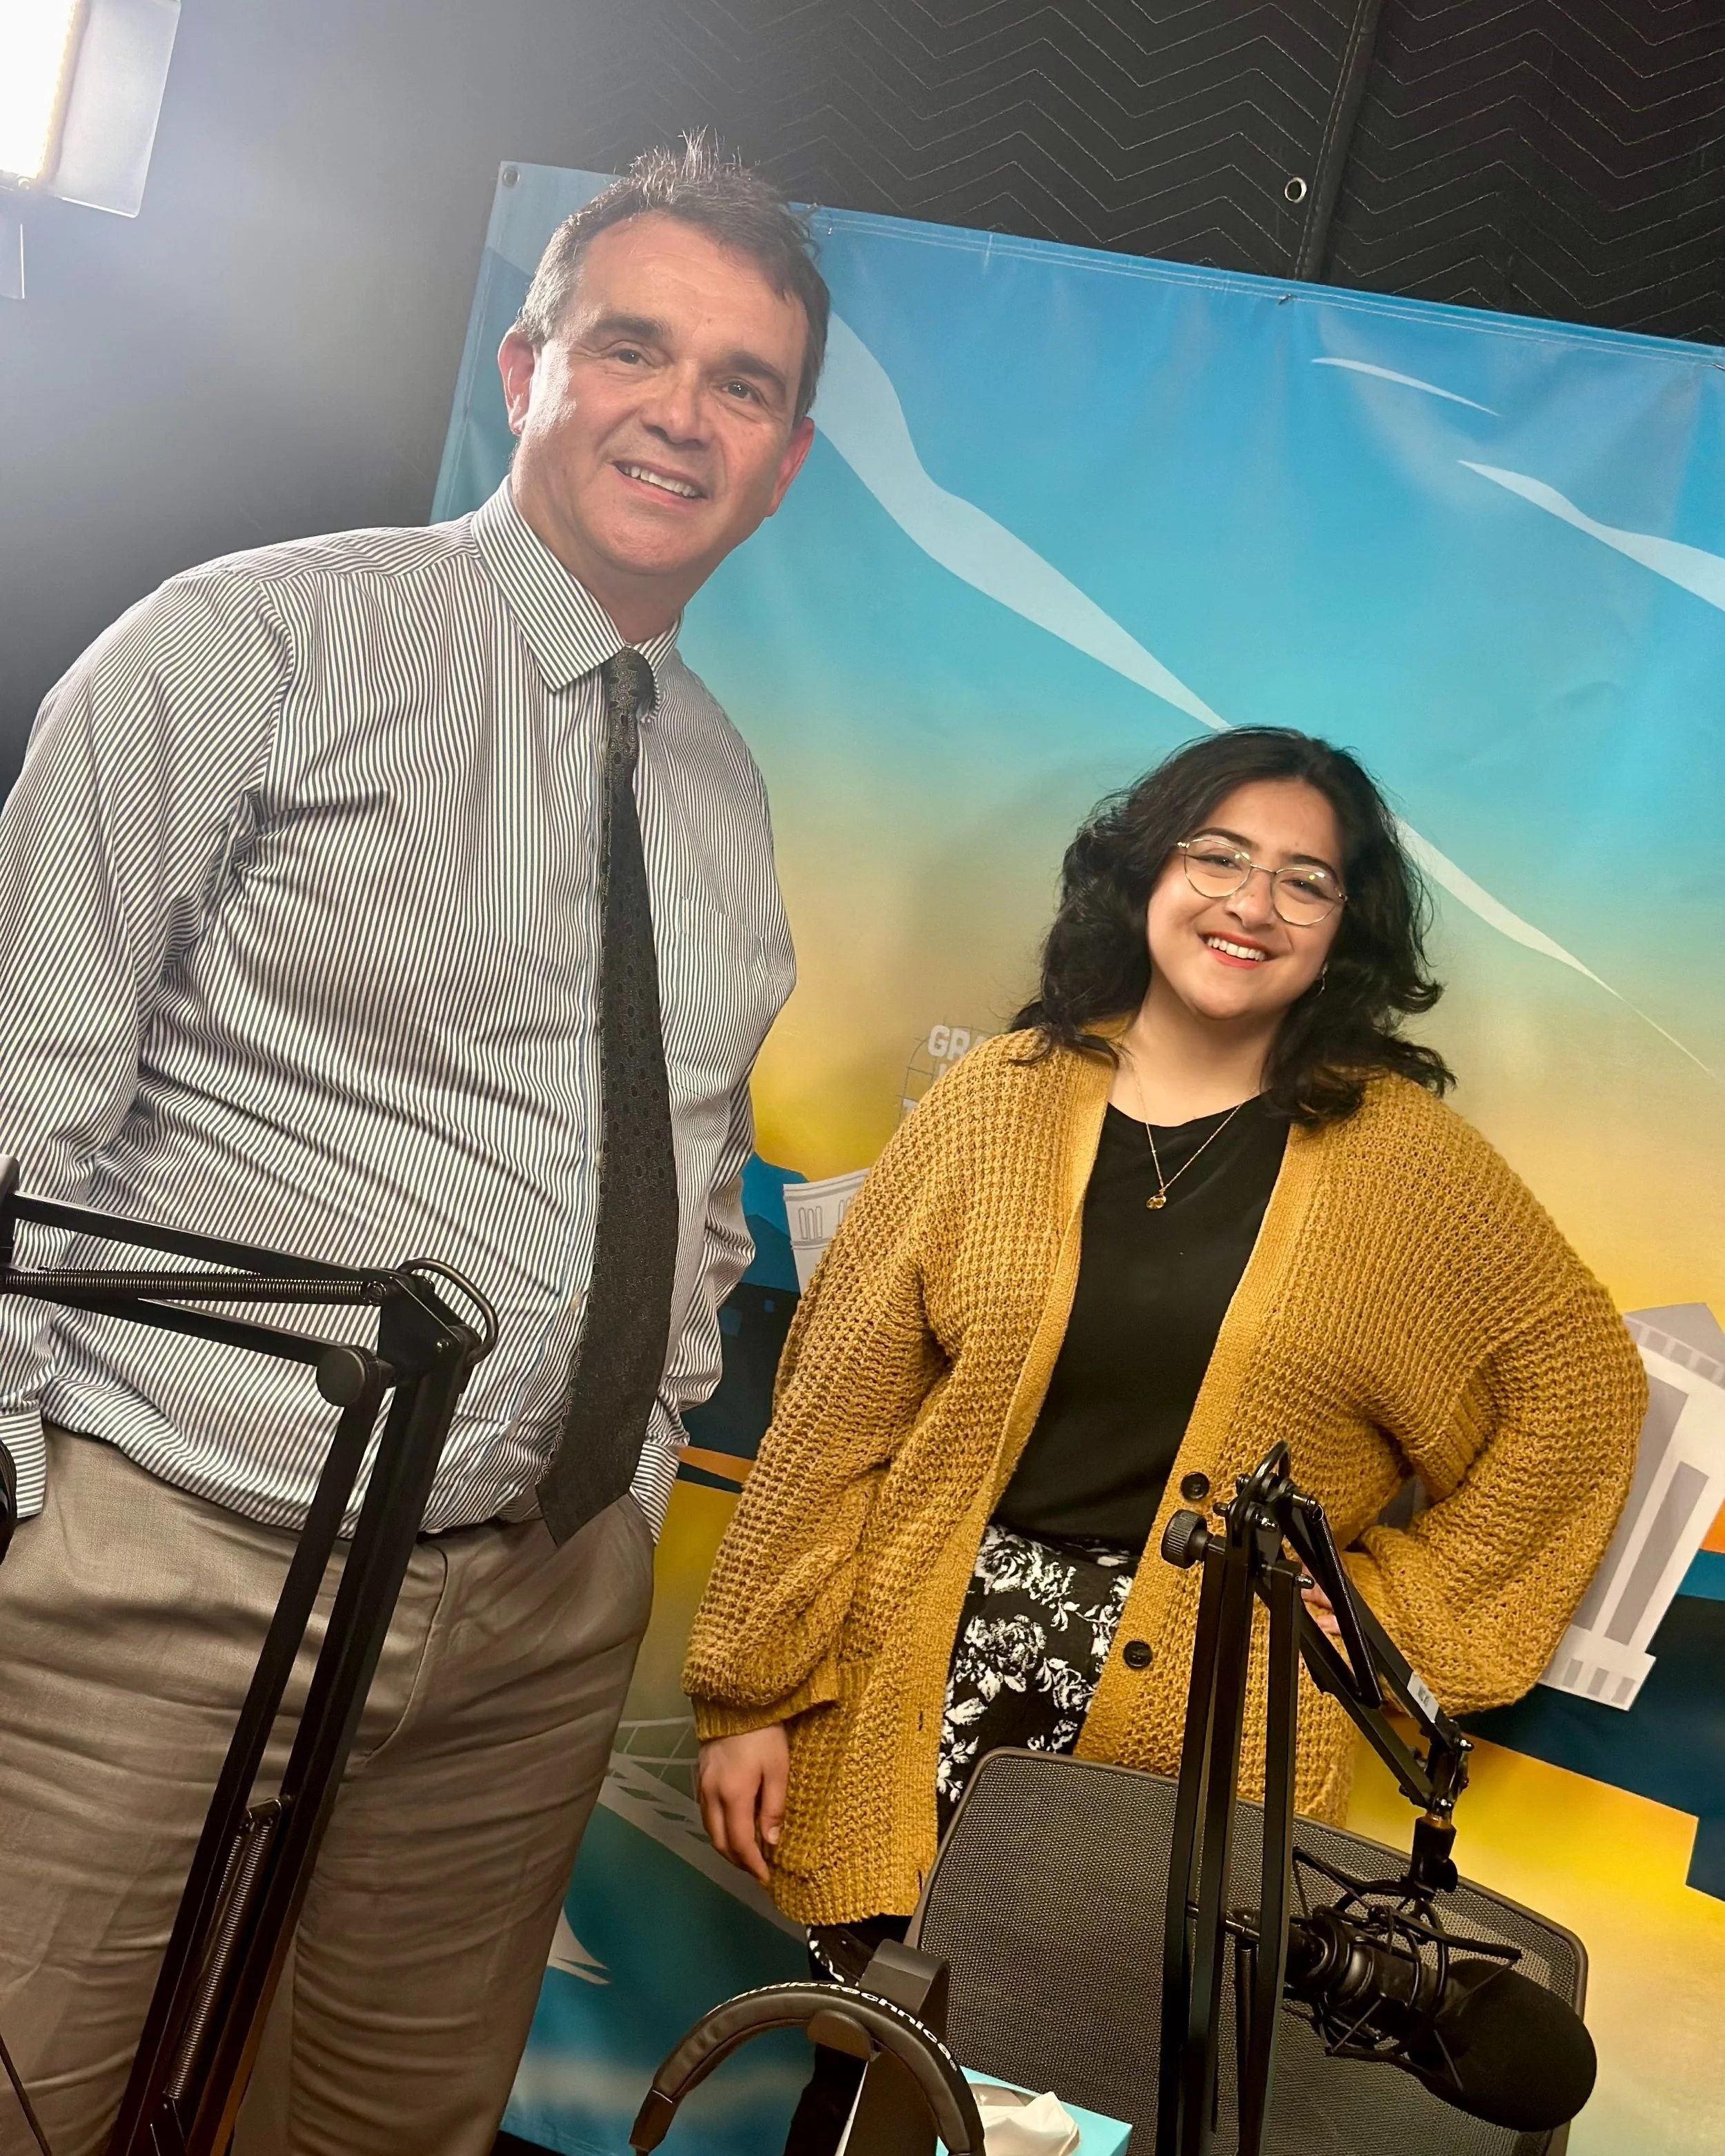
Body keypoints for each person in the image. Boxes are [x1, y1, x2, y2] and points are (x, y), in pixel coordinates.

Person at [0, 139, 825, 2156]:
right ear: (529, 364)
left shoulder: (721, 794)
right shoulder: (252, 645)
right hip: (173, 1540)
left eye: (742, 385)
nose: (680, 412)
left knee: (384, 2135)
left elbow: (694, 1191)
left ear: (787, 459)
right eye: (635, 349)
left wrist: (622, 1484)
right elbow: (25, 1080)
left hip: (525, 1620)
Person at [684, 726, 1646, 2155]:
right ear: (1145, 873)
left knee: (1095, 2110)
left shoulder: (1398, 1163)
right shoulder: (995, 1101)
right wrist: (746, 1688)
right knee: (875, 2098)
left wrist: (1382, 1620)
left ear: (1342, 932)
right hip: (923, 1692)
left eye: (1302, 881)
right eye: (1217, 856)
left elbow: (1576, 1392)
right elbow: (839, 1407)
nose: (1249, 904)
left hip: (1193, 1735)